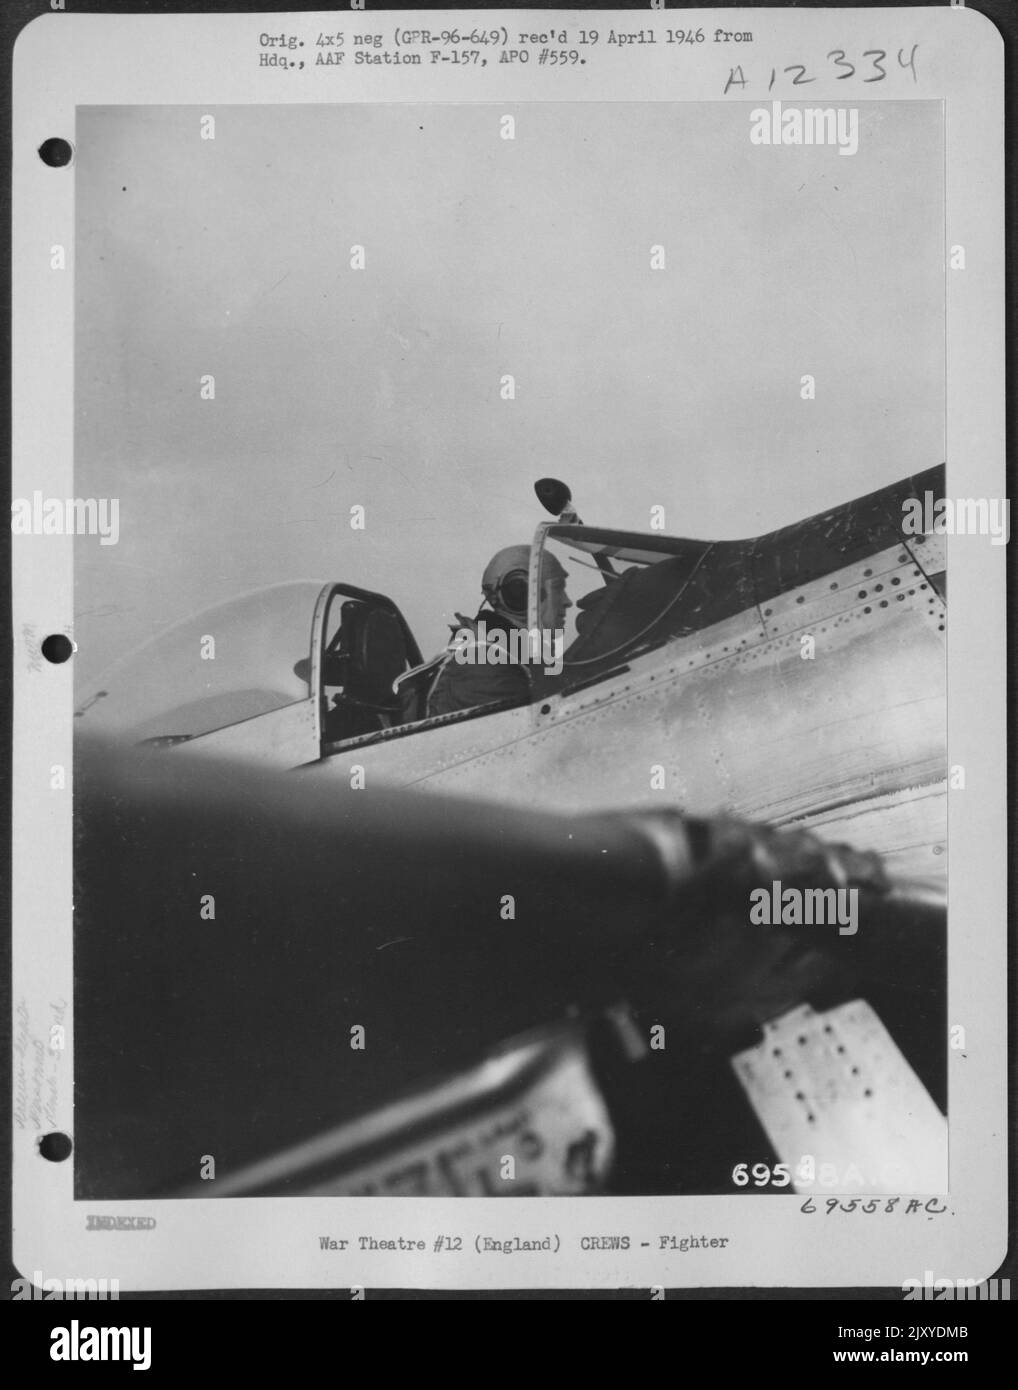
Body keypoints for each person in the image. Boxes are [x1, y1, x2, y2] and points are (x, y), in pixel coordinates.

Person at [425, 545, 570, 717]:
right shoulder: (483, 668)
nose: (568, 601)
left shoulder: (516, 658)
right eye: (559, 588)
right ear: (522, 593)